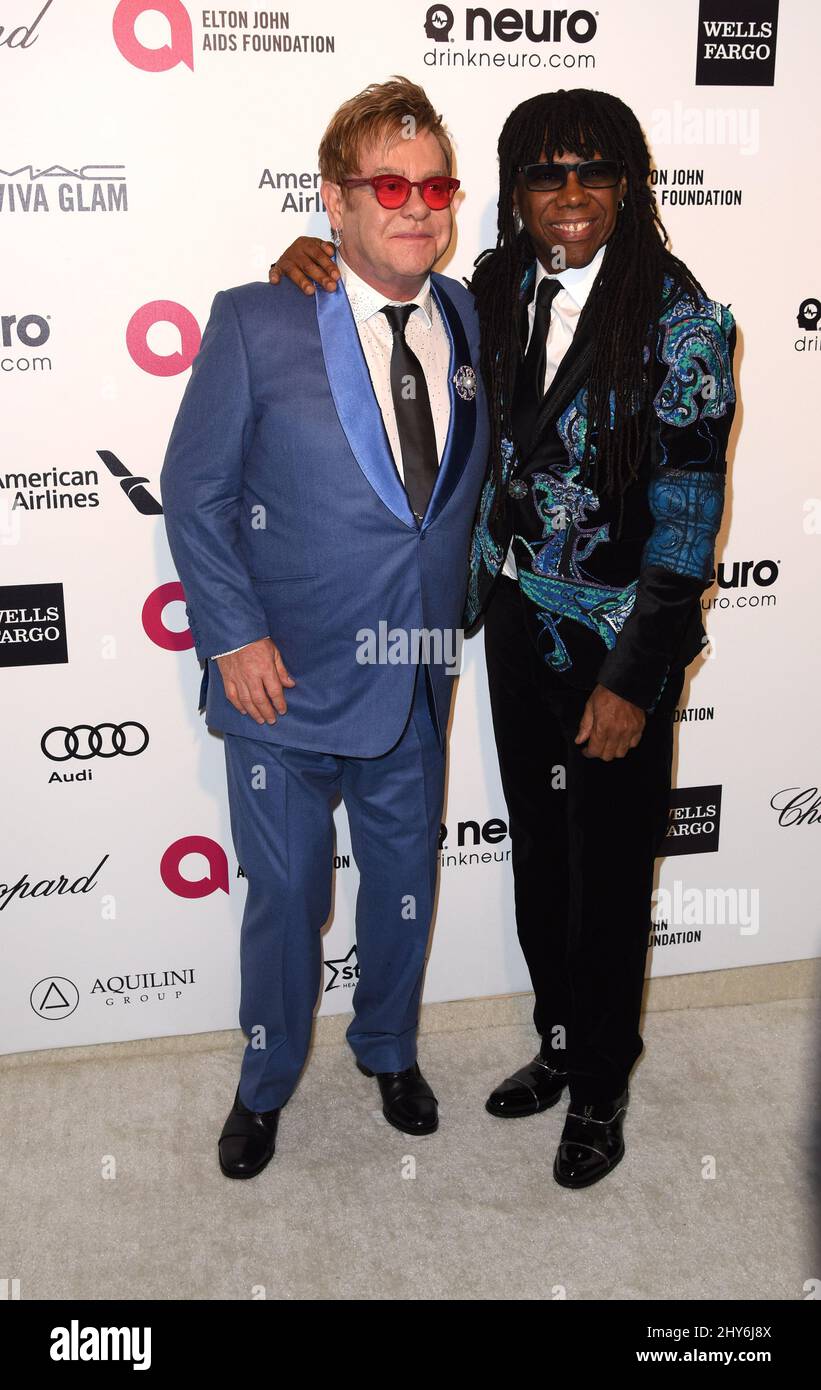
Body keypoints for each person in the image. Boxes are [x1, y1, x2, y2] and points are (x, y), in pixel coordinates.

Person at [269, 87, 737, 1188]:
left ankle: (603, 1085)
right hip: (517, 618)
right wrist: (311, 253)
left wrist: (637, 676)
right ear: (517, 191)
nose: (567, 195)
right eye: (543, 173)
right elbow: (394, 293)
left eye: (591, 172)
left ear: (628, 184)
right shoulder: (491, 286)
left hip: (620, 644)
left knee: (610, 869)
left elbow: (683, 518)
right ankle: (559, 1042)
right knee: (540, 845)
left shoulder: (681, 323)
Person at [160, 77, 489, 1180]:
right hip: (282, 680)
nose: (417, 205)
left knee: (406, 885)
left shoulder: (464, 315)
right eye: (387, 184)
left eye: (435, 183)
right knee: (289, 897)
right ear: (333, 203)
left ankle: (387, 1048)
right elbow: (193, 491)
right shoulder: (257, 318)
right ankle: (263, 1084)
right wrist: (232, 636)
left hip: (413, 672)